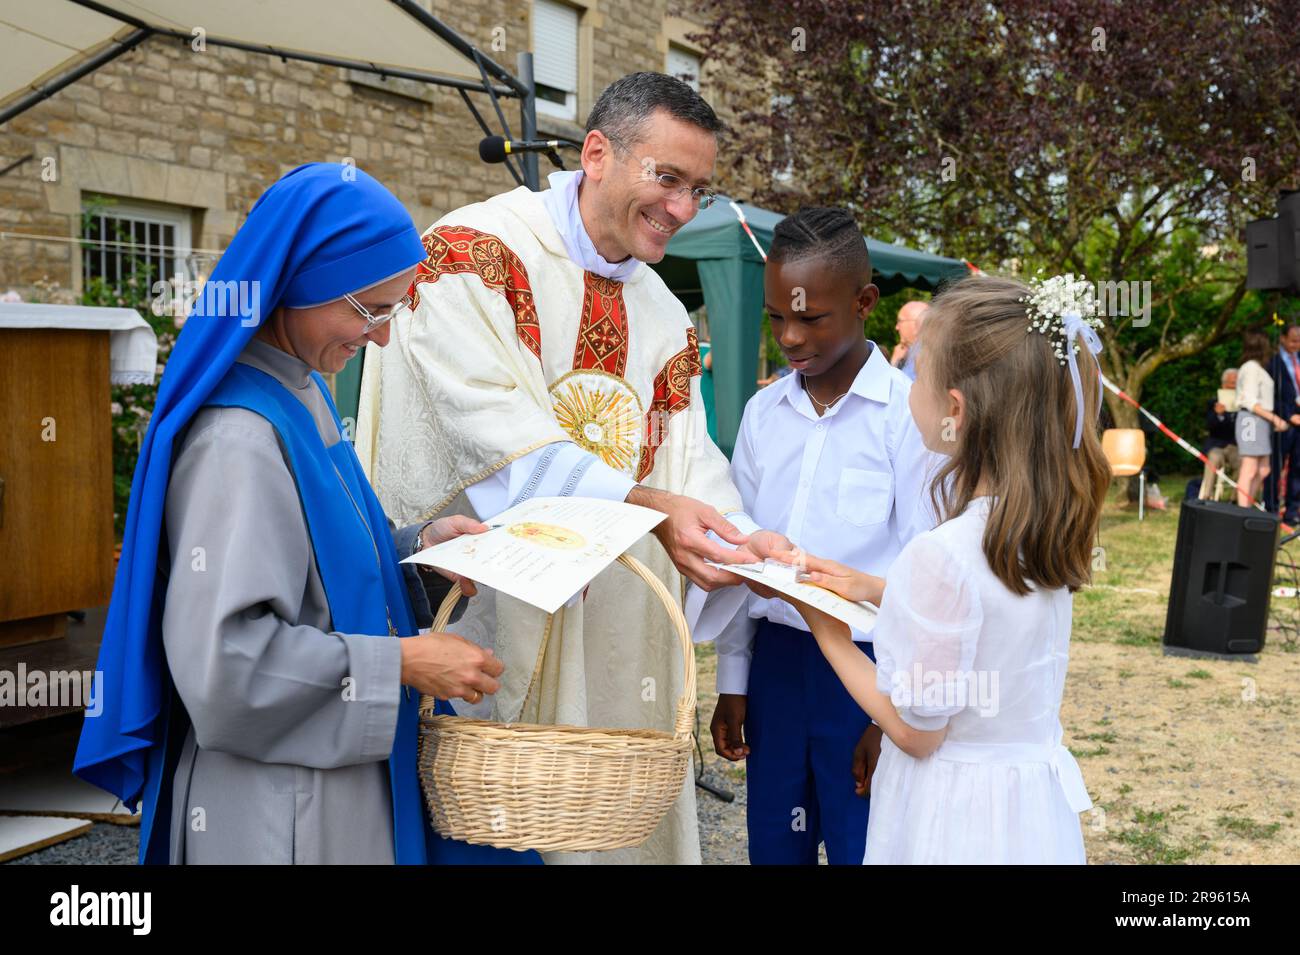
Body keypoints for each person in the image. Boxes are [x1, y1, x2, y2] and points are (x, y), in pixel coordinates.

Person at [355, 73, 778, 864]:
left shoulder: (661, 312)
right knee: (486, 835)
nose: (683, 210)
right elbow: (495, 439)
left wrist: (749, 545)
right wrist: (653, 507)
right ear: (596, 153)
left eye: (699, 189)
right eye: (667, 179)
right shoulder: (471, 255)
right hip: (482, 618)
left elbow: (691, 462)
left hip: (613, 637)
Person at [74, 163, 528, 865]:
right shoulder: (239, 438)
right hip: (275, 814)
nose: (379, 337)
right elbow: (226, 666)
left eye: (393, 311)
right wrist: (404, 662)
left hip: (322, 790)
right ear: (297, 284)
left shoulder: (301, 391)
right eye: (367, 309)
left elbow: (321, 579)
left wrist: (418, 558)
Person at [769, 272, 1109, 864]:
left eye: (919, 376)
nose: (908, 390)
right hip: (1026, 814)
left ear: (955, 409)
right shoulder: (1034, 534)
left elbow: (917, 732)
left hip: (952, 820)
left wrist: (830, 634)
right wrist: (876, 587)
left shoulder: (943, 553)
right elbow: (988, 621)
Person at [692, 208, 937, 865]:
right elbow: (746, 553)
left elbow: (926, 575)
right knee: (776, 843)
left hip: (866, 669)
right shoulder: (761, 415)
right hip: (775, 664)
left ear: (864, 303)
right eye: (777, 318)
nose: (791, 337)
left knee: (866, 845)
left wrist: (895, 713)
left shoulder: (910, 421)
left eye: (811, 318)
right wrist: (736, 678)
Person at [1238, 330, 1288, 509]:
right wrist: (1275, 419)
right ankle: (1242, 509)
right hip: (1251, 420)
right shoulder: (1250, 368)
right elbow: (1250, 401)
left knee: (1263, 469)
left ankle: (1249, 504)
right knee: (1249, 468)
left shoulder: (1258, 368)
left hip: (1261, 421)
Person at [1266, 324, 1300, 519]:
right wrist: (1288, 415)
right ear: (1283, 339)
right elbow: (1270, 395)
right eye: (1294, 340)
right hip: (1283, 421)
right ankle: (1271, 508)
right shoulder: (1273, 362)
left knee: (1298, 466)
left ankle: (1293, 510)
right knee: (1275, 466)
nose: (1297, 344)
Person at [1198, 368, 1239, 501]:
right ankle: (1206, 497)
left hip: (1236, 446)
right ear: (1224, 385)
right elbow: (1209, 426)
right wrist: (1219, 415)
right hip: (1217, 445)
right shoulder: (1213, 403)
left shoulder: (1244, 403)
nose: (1235, 387)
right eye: (1232, 383)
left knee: (1245, 462)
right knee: (1213, 458)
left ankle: (1235, 500)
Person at [890, 299, 929, 380]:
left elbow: (897, 390)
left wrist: (893, 365)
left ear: (917, 324)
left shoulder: (921, 354)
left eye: (900, 321)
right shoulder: (939, 348)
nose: (896, 327)